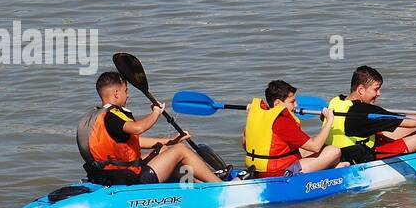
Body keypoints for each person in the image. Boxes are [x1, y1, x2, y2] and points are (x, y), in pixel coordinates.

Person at [78, 72, 223, 185]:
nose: (127, 95)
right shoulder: (112, 116)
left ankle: (198, 184)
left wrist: (171, 141)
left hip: (109, 175)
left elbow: (135, 141)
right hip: (129, 180)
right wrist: (155, 112)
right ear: (117, 93)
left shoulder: (96, 115)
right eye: (126, 91)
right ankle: (220, 186)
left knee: (167, 149)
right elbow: (138, 128)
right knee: (181, 150)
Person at [325, 66, 416, 164]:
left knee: (412, 128)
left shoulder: (336, 101)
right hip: (362, 157)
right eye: (376, 89)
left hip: (337, 154)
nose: (379, 93)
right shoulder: (365, 111)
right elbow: (411, 121)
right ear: (361, 90)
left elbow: (404, 120)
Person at [242, 80, 342, 177]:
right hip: (279, 173)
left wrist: (251, 116)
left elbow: (245, 146)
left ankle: (331, 168)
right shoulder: (282, 121)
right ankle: (332, 171)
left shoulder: (258, 116)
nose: (296, 105)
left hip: (258, 170)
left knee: (304, 149)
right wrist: (329, 120)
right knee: (334, 151)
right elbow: (315, 146)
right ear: (277, 103)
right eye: (292, 102)